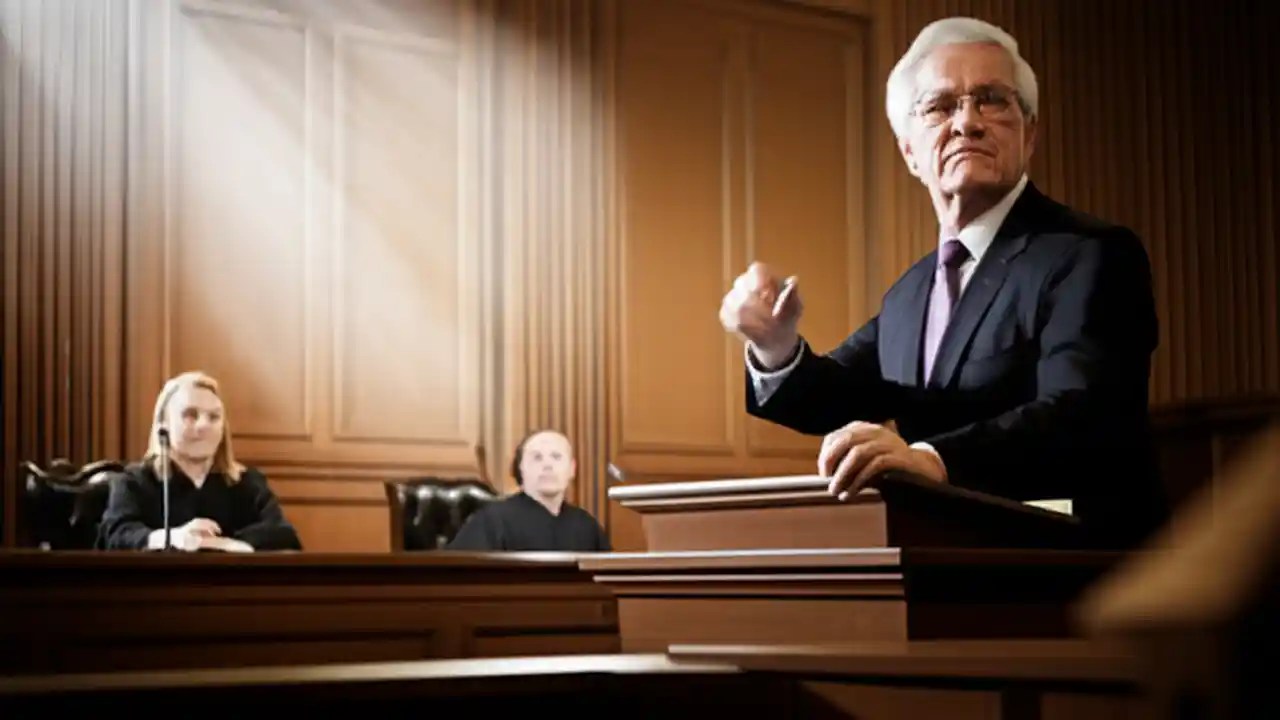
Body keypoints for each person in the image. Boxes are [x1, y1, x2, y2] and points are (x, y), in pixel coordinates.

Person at [719, 17, 1166, 548]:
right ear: (909, 150)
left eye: (992, 100)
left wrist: (933, 459)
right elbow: (832, 395)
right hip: (945, 561)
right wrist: (774, 346)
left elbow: (1084, 414)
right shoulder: (911, 293)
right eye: (940, 106)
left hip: (1074, 566)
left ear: (1030, 134)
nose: (967, 123)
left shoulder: (1091, 253)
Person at [97, 371, 303, 552]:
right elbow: (115, 535)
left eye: (214, 417)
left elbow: (283, 535)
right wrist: (173, 538)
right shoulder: (134, 482)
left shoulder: (247, 482)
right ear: (163, 425)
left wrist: (226, 544)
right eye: (190, 415)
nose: (203, 425)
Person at [447, 429, 610, 552]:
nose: (548, 465)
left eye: (556, 457)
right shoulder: (493, 520)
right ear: (520, 468)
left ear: (572, 469)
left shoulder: (587, 526)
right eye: (537, 457)